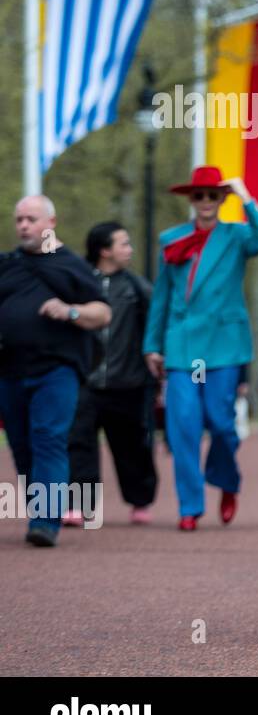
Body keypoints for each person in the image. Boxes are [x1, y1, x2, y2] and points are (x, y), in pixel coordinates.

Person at [143, 169, 258, 531]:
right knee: (182, 425)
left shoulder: (237, 234)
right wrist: (152, 345)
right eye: (198, 196)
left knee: (220, 424)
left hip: (222, 345)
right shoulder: (172, 238)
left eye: (212, 195)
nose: (204, 202)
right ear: (191, 200)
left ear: (221, 199)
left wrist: (244, 196)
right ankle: (190, 505)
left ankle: (227, 482)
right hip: (182, 344)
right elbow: (162, 297)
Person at [0, 196, 112, 546]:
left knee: (48, 437)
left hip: (57, 370)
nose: (23, 226)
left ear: (51, 222)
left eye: (31, 219)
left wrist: (71, 312)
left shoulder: (70, 265)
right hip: (10, 369)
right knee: (21, 445)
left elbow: (103, 313)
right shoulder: (8, 265)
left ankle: (45, 522)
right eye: (19, 219)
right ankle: (43, 507)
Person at [65, 222, 157, 527]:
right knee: (79, 442)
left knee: (132, 446)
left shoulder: (137, 287)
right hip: (84, 380)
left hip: (128, 382)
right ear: (105, 250)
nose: (129, 249)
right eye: (123, 244)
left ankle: (140, 501)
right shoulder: (77, 282)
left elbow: (155, 328)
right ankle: (79, 505)